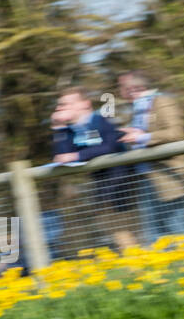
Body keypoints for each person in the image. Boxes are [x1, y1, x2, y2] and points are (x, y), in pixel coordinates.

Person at [51, 87, 135, 250]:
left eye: (70, 103)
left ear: (85, 104)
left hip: (123, 188)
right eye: (62, 104)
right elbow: (61, 155)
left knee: (129, 234)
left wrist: (77, 156)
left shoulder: (101, 121)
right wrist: (58, 127)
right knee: (118, 236)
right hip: (102, 191)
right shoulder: (69, 131)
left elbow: (109, 146)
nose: (64, 107)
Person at [117, 70, 184, 243]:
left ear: (138, 87)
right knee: (155, 237)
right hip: (146, 178)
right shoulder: (136, 111)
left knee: (179, 231)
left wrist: (142, 137)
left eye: (126, 88)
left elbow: (175, 132)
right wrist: (134, 135)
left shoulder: (162, 102)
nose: (123, 93)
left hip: (168, 177)